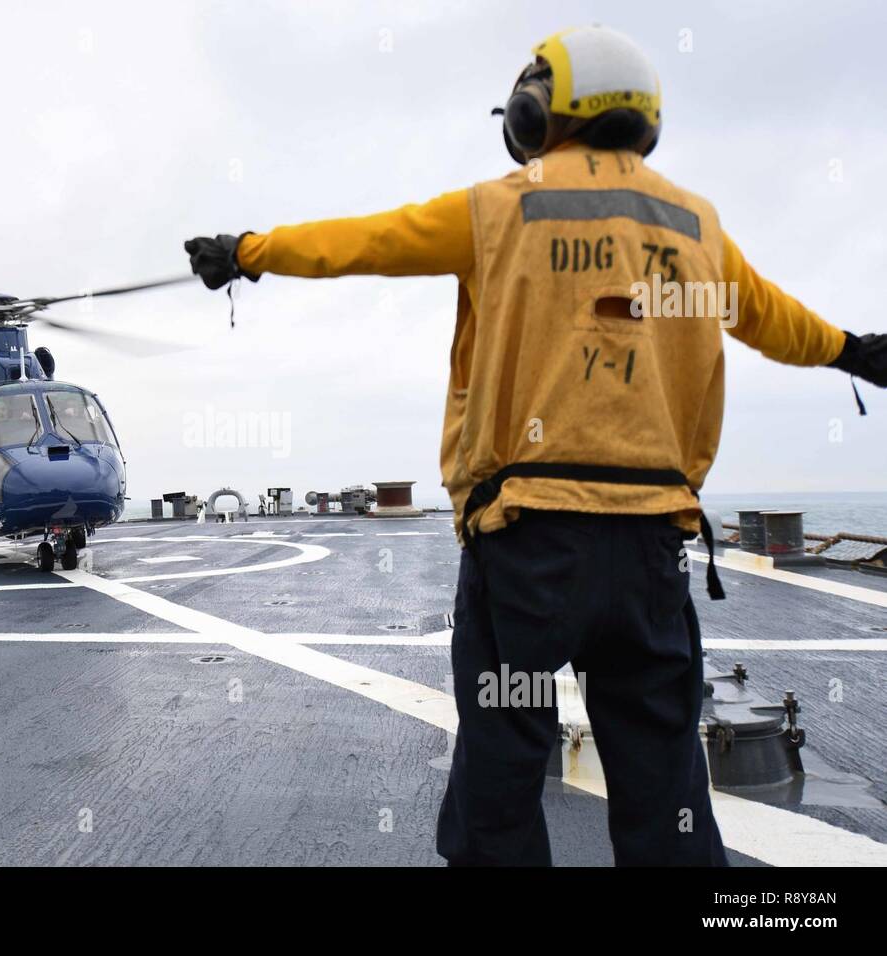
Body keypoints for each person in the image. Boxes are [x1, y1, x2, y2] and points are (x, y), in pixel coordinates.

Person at [183, 25, 887, 866]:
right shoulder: (694, 226)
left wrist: (246, 252)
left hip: (527, 552)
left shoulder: (499, 207)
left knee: (502, 771)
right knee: (664, 787)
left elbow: (361, 241)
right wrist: (856, 350)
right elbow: (777, 320)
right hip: (650, 552)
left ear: (534, 110)